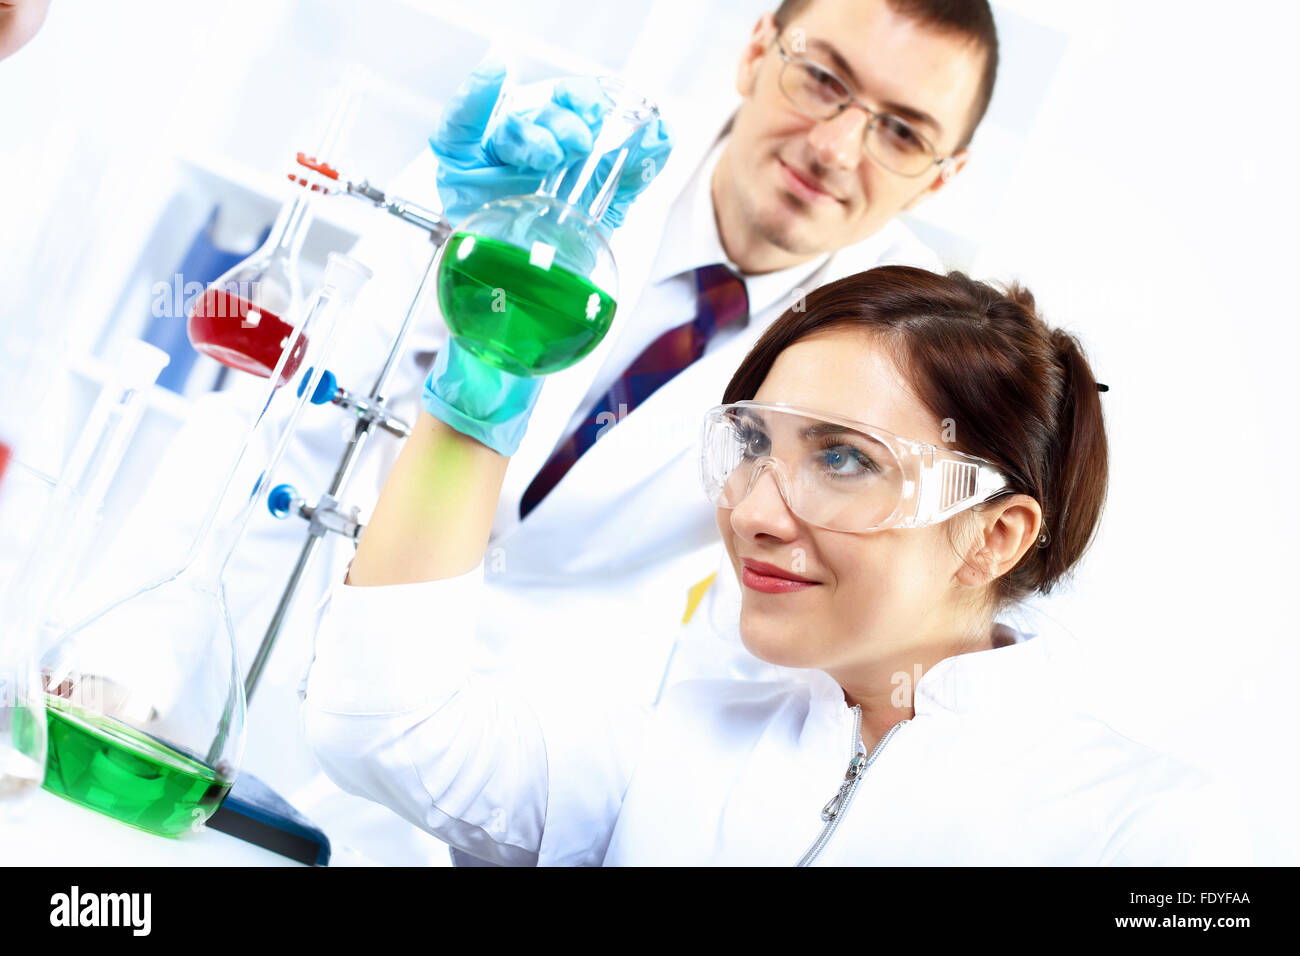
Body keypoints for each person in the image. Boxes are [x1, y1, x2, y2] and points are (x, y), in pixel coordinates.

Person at [302, 266, 1252, 865]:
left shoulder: (1149, 834)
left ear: (993, 536)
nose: (755, 512)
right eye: (754, 445)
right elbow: (387, 726)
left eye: (844, 459)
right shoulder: (670, 744)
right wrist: (490, 360)